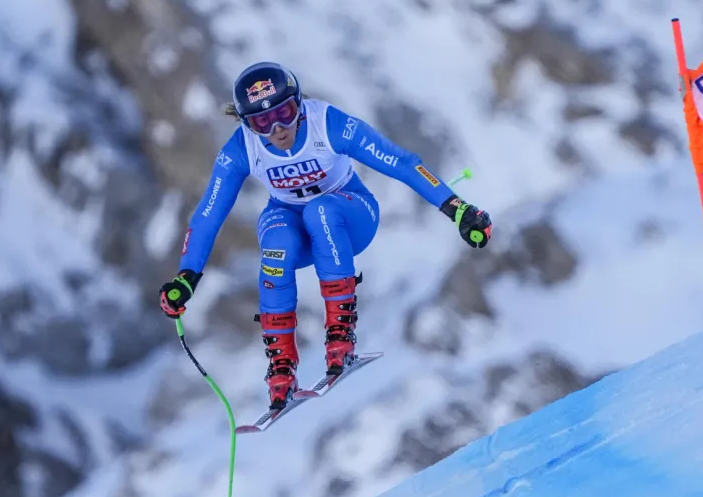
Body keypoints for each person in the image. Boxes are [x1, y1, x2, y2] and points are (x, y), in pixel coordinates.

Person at [158, 61, 493, 410]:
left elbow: (402, 161)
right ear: (246, 123)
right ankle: (281, 368)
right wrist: (187, 276)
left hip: (352, 216)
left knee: (321, 211)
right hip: (293, 222)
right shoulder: (240, 149)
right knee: (275, 242)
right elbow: (209, 213)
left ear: (299, 103)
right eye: (261, 122)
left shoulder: (327, 123)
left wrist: (458, 209)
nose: (277, 129)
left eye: (285, 113)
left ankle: (339, 336)